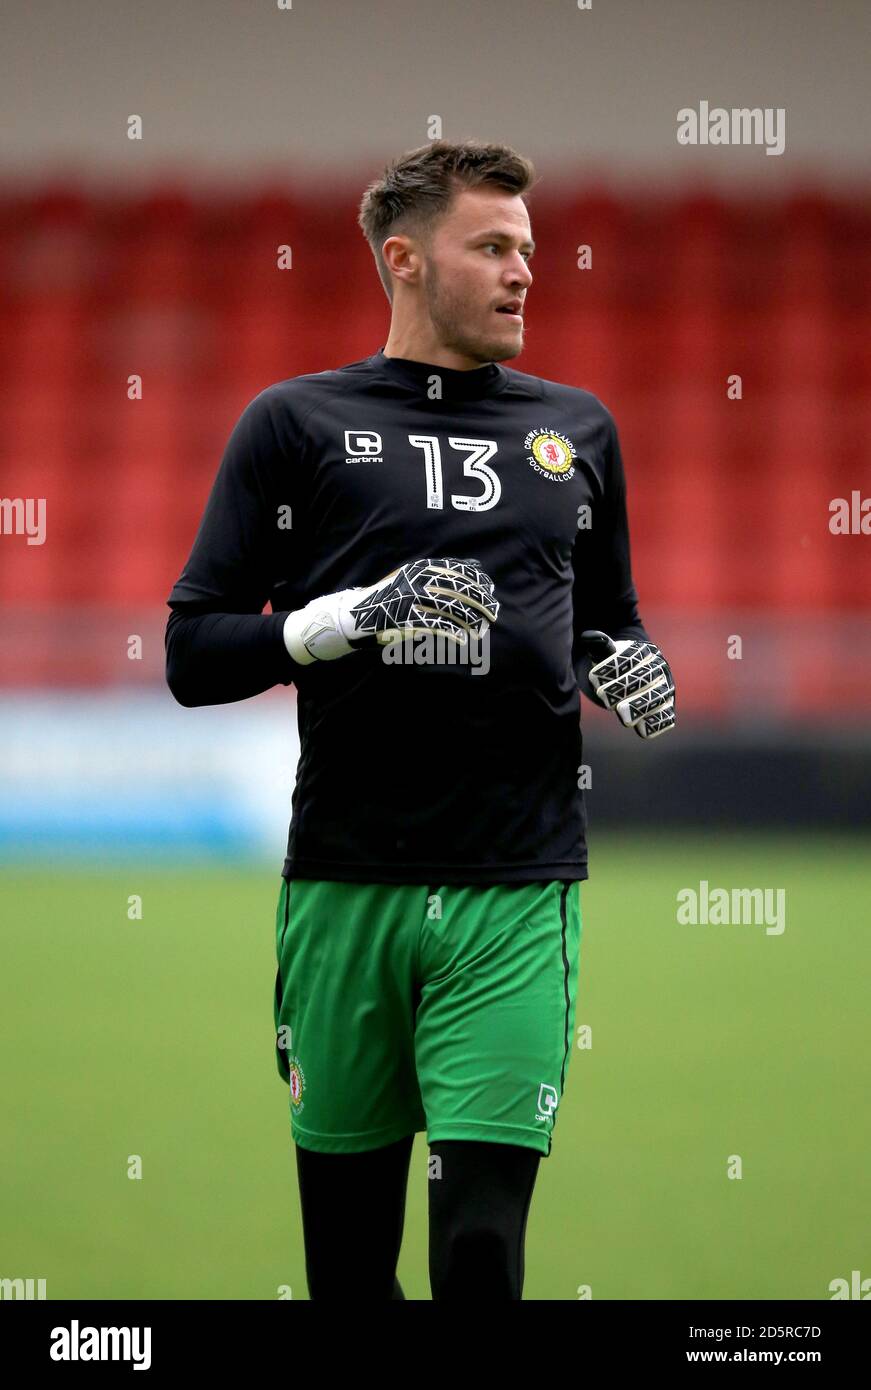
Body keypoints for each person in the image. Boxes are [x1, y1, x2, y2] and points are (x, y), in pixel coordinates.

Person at [165, 139, 675, 1301]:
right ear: (404, 260)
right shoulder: (292, 424)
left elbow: (612, 620)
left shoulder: (578, 431)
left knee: (481, 1255)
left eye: (528, 250)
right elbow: (192, 653)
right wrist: (340, 619)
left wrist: (626, 666)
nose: (522, 273)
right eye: (490, 247)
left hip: (514, 889)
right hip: (346, 886)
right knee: (347, 1270)